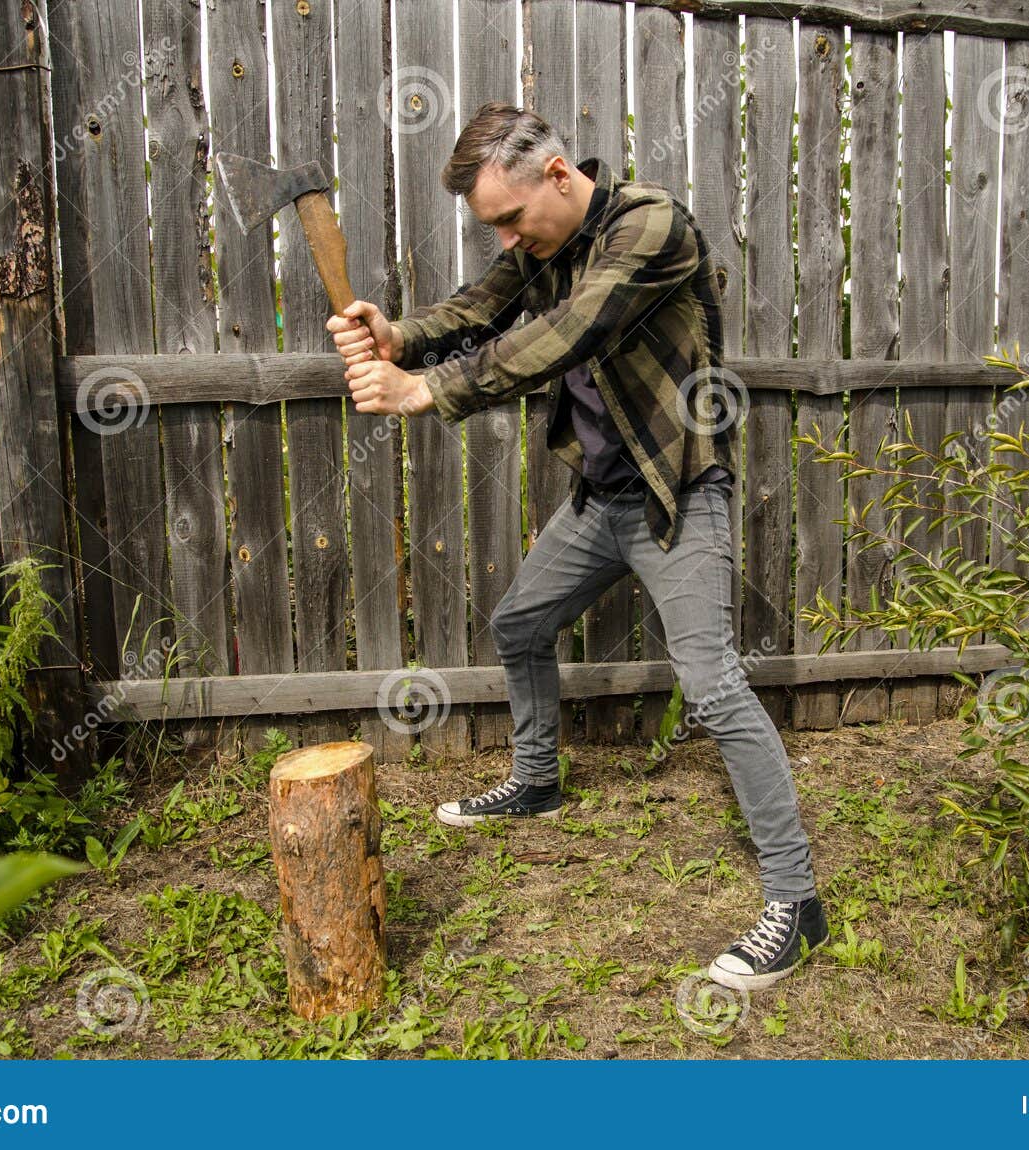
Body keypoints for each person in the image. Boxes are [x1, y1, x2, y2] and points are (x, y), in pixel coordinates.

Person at [325, 102, 824, 991]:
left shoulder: (650, 225)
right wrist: (399, 334)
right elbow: (483, 306)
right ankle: (537, 781)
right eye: (496, 228)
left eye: (513, 219)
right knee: (519, 625)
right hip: (602, 499)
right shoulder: (540, 247)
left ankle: (797, 901)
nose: (510, 240)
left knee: (711, 682)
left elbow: (567, 333)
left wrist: (422, 391)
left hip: (678, 492)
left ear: (558, 175)